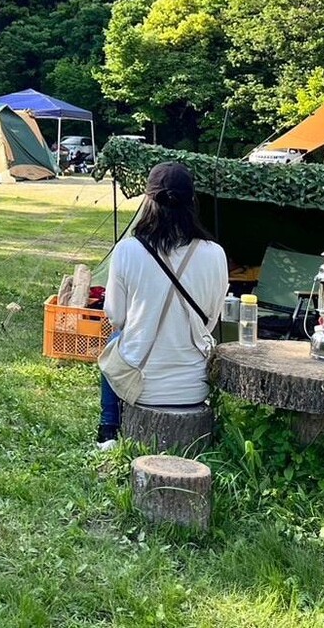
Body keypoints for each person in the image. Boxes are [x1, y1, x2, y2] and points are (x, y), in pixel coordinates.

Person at [96, 162, 229, 449]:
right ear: (192, 201)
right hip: (194, 386)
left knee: (115, 339)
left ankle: (108, 430)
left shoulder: (128, 250)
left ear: (148, 201)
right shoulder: (216, 254)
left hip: (140, 384)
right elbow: (210, 322)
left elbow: (116, 317)